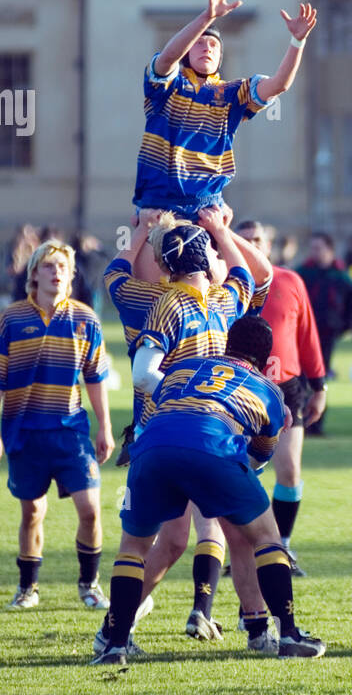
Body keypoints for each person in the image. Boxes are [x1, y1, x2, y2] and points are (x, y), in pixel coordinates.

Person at [91, 316, 325, 667]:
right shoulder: (267, 389)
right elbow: (258, 457)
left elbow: (165, 409)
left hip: (150, 450)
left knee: (133, 549)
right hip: (213, 448)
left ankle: (114, 645)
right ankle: (288, 634)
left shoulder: (182, 368)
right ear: (265, 360)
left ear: (228, 344)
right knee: (267, 536)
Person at [103, 209, 279, 651]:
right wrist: (221, 229)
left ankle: (253, 627)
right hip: (178, 432)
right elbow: (251, 274)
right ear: (203, 260)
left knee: (214, 534)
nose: (221, 258)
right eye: (213, 252)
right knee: (180, 539)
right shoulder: (182, 301)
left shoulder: (198, 299)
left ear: (163, 263)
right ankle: (116, 627)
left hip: (187, 435)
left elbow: (114, 276)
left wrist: (144, 229)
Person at [132, 0, 317, 282]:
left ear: (221, 56)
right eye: (200, 42)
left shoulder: (232, 93)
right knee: (157, 293)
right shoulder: (166, 86)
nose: (207, 47)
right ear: (188, 51)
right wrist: (207, 18)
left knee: (259, 275)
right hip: (160, 209)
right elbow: (168, 57)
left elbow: (279, 85)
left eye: (214, 44)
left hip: (206, 209)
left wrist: (297, 41)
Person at [0, 240, 114, 610]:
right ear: (34, 273)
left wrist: (105, 427)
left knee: (90, 509)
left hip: (71, 432)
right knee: (32, 512)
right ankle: (27, 589)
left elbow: (95, 377)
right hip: (24, 432)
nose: (57, 272)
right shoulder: (12, 319)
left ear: (71, 274)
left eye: (63, 266)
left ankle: (90, 584)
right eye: (49, 266)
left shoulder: (85, 318)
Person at [235, 220, 327, 576]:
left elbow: (307, 335)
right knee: (241, 471)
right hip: (240, 389)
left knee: (289, 470)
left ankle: (282, 546)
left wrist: (319, 386)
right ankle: (243, 548)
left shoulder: (290, 281)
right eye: (244, 240)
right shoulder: (226, 284)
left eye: (258, 240)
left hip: (287, 389)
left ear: (269, 245)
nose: (252, 245)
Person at [298, 233, 352, 413]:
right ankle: (300, 412)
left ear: (330, 250)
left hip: (327, 332)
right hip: (304, 332)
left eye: (318, 248)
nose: (314, 252)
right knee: (301, 374)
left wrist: (345, 325)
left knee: (321, 374)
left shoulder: (340, 276)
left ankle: (317, 415)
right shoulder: (303, 273)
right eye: (312, 248)